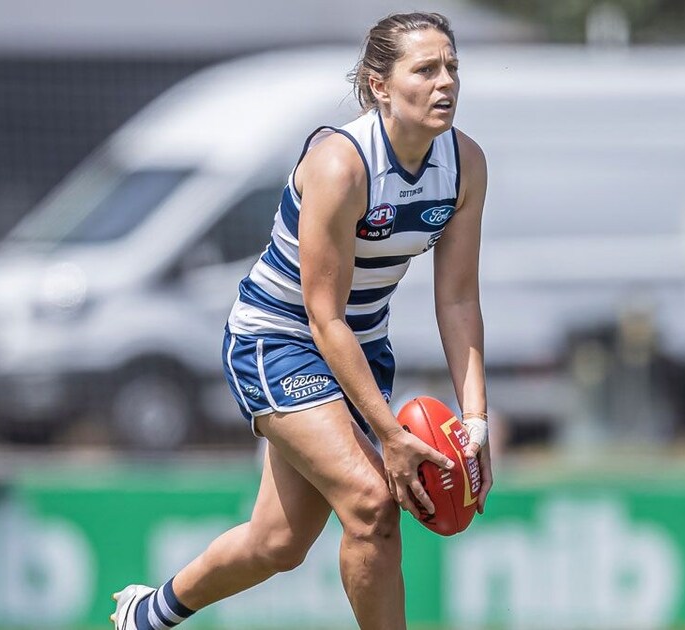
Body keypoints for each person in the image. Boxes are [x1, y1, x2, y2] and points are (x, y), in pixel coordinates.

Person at [111, 12, 492, 630]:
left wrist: (476, 422)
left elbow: (457, 300)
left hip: (358, 346)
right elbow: (322, 315)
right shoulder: (340, 164)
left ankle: (147, 615)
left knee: (277, 544)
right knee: (372, 505)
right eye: (424, 69)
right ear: (379, 86)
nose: (445, 82)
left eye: (452, 67)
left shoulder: (465, 164)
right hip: (279, 338)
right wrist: (389, 437)